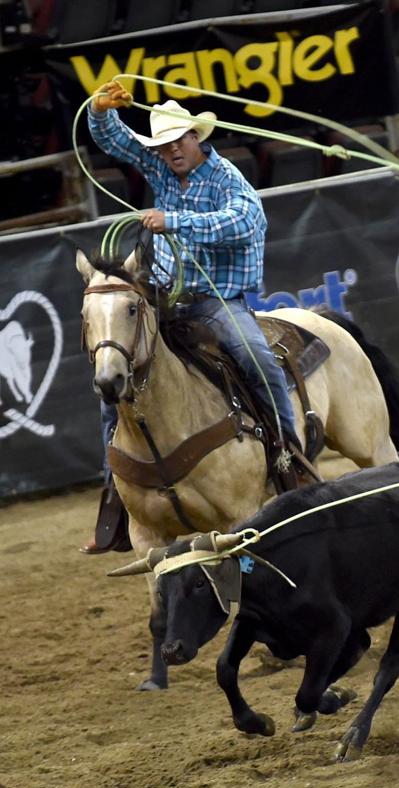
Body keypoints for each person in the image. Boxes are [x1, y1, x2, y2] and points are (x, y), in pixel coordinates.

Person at [81, 80, 299, 553]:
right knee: (114, 378)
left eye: (179, 140)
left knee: (253, 355)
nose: (171, 150)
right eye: (163, 144)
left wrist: (174, 220)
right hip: (165, 298)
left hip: (219, 299)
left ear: (196, 138)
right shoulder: (160, 167)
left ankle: (289, 456)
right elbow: (116, 140)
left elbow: (245, 220)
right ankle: (116, 488)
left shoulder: (226, 179)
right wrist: (100, 111)